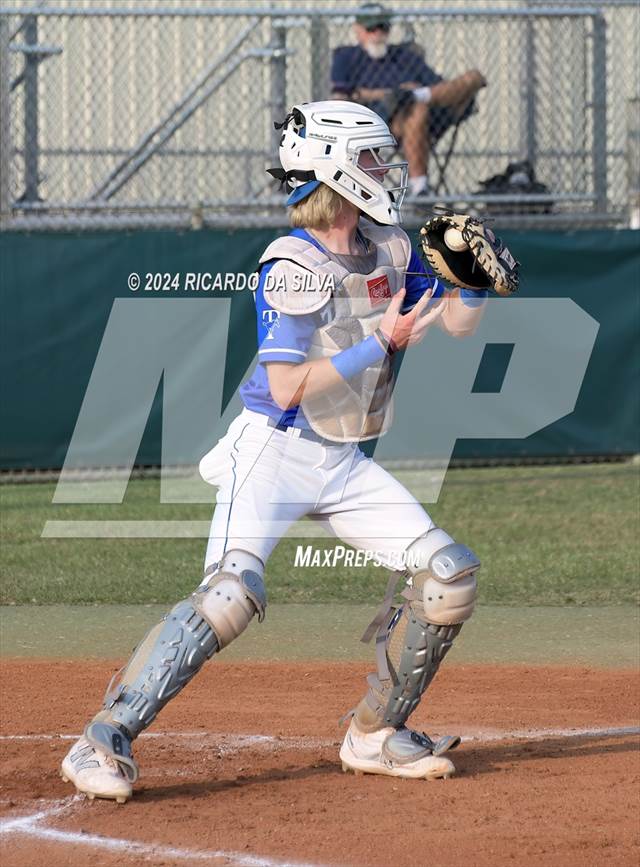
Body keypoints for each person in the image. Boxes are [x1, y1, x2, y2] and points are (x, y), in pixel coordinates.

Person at [60, 99, 489, 803]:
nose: (384, 170)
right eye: (372, 158)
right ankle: (102, 737)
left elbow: (456, 325)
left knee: (449, 576)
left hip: (345, 461)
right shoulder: (290, 262)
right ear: (337, 168)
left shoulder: (392, 247)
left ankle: (375, 733)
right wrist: (379, 341)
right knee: (231, 595)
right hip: (274, 451)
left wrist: (474, 284)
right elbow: (288, 386)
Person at [331, 2, 486, 196]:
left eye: (384, 27)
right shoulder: (348, 56)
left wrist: (417, 93)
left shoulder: (404, 55)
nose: (378, 33)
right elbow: (341, 97)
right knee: (417, 108)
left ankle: (417, 96)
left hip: (433, 117)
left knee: (473, 77)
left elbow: (438, 85)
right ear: (358, 30)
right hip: (383, 125)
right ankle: (419, 187)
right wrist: (394, 94)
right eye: (372, 28)